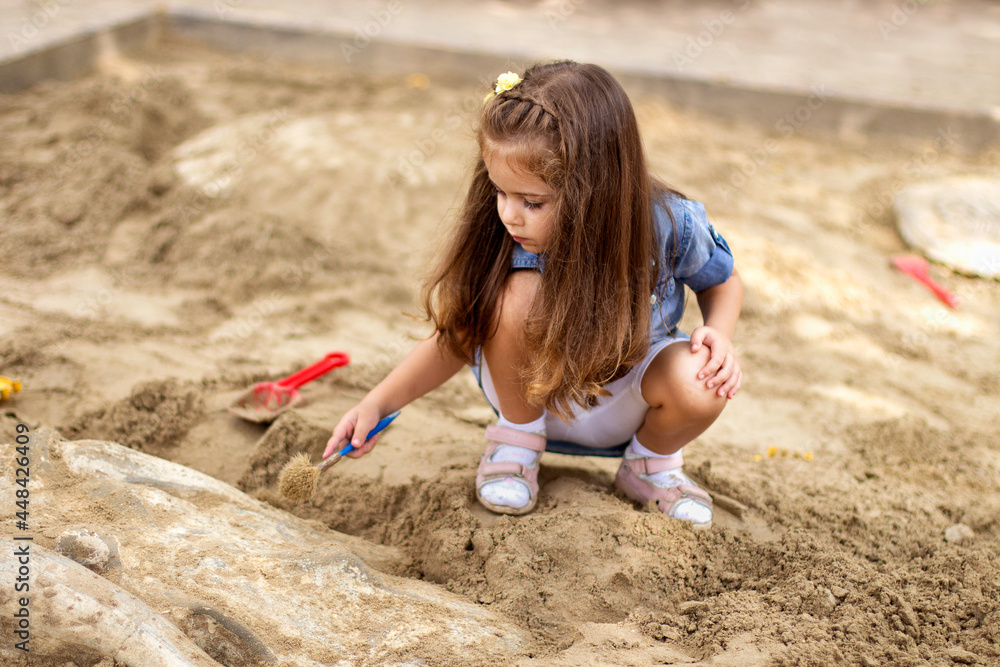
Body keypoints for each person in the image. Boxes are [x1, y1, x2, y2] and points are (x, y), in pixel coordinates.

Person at [324, 61, 743, 527]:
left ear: (597, 188)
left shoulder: (668, 223)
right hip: (530, 400)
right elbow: (458, 337)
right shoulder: (506, 234)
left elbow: (722, 281)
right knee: (519, 291)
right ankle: (515, 447)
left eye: (532, 202)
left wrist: (718, 333)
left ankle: (650, 468)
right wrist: (377, 403)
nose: (509, 215)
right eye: (500, 191)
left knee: (702, 376)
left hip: (630, 400)